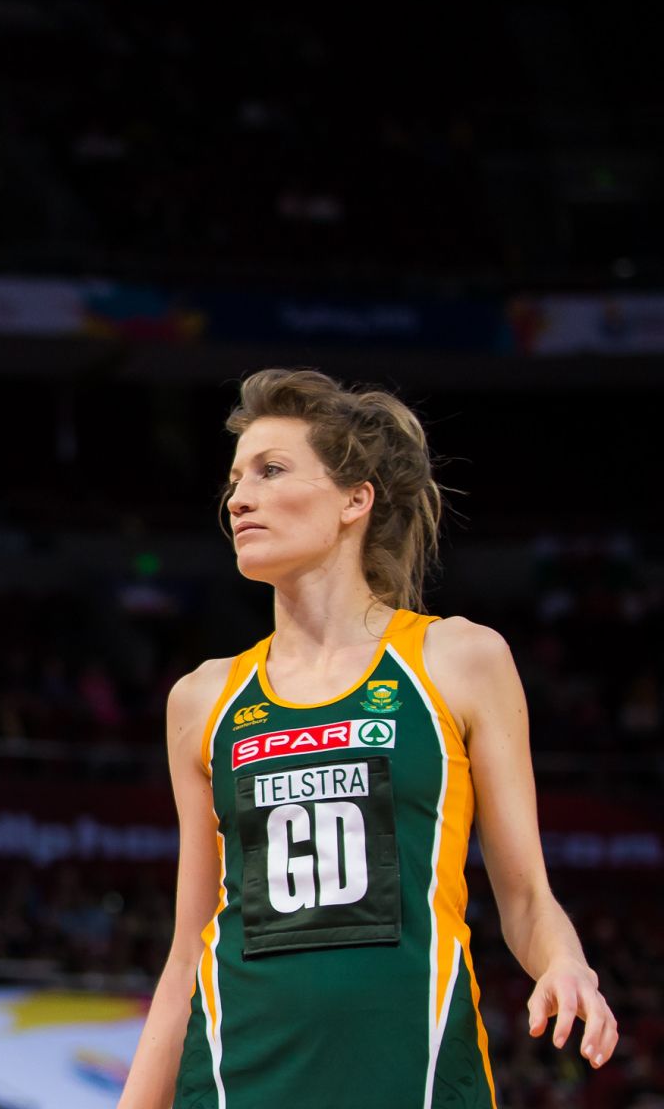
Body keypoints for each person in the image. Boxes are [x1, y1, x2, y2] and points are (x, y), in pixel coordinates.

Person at [119, 369, 620, 1108]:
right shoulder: (202, 698)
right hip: (233, 1084)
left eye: (270, 470)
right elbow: (191, 947)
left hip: (416, 1079)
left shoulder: (459, 659)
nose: (238, 498)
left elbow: (526, 898)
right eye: (234, 480)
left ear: (356, 499)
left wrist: (566, 964)